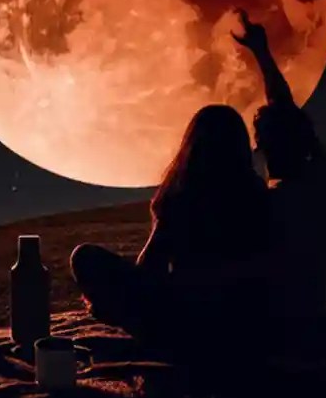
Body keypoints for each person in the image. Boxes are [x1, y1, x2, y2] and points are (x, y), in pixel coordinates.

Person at [70, 103, 270, 346]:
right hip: (244, 327)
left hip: (182, 322)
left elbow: (150, 268)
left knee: (85, 257)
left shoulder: (183, 196)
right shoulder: (257, 193)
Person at [232, 8, 326, 321]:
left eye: (262, 141)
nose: (260, 149)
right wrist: (262, 53)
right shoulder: (323, 178)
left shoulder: (277, 198)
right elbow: (284, 108)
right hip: (309, 309)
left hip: (279, 318)